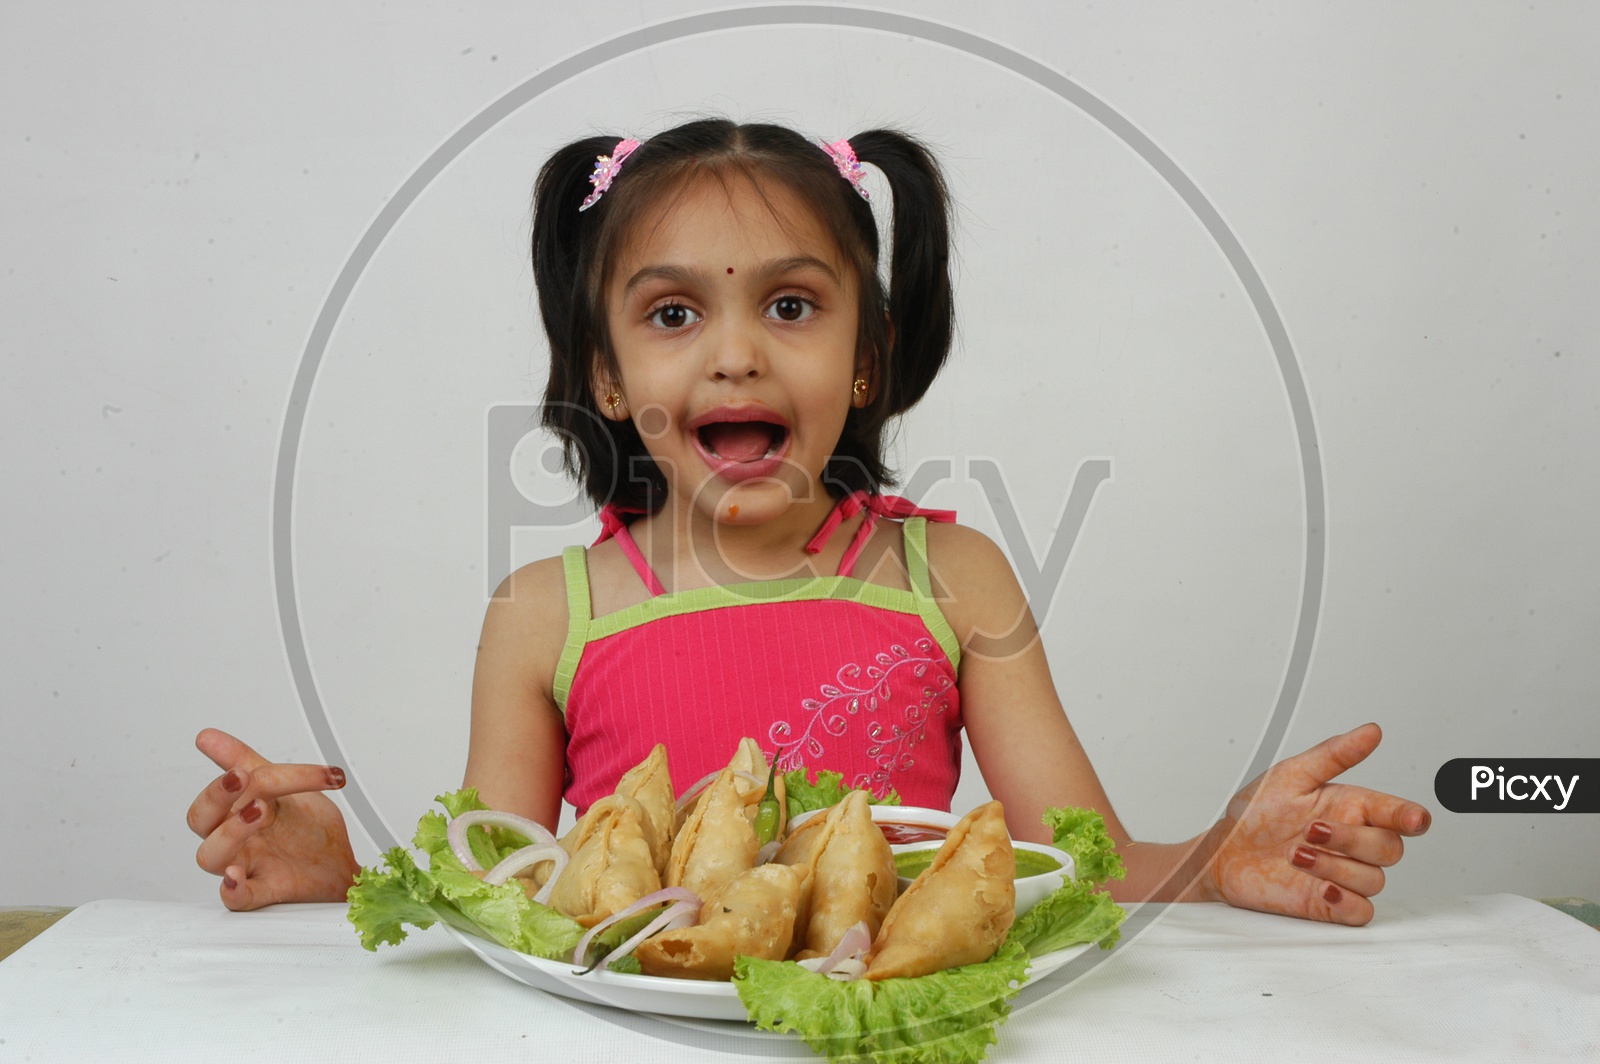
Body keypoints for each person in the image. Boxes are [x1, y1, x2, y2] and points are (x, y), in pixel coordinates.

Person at [187, 118, 1430, 925]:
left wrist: (1217, 854)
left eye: (791, 304)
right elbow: (498, 889)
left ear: (868, 359)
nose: (733, 356)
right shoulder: (539, 615)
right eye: (672, 315)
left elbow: (1080, 864)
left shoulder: (955, 575)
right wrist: (342, 877)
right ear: (607, 376)